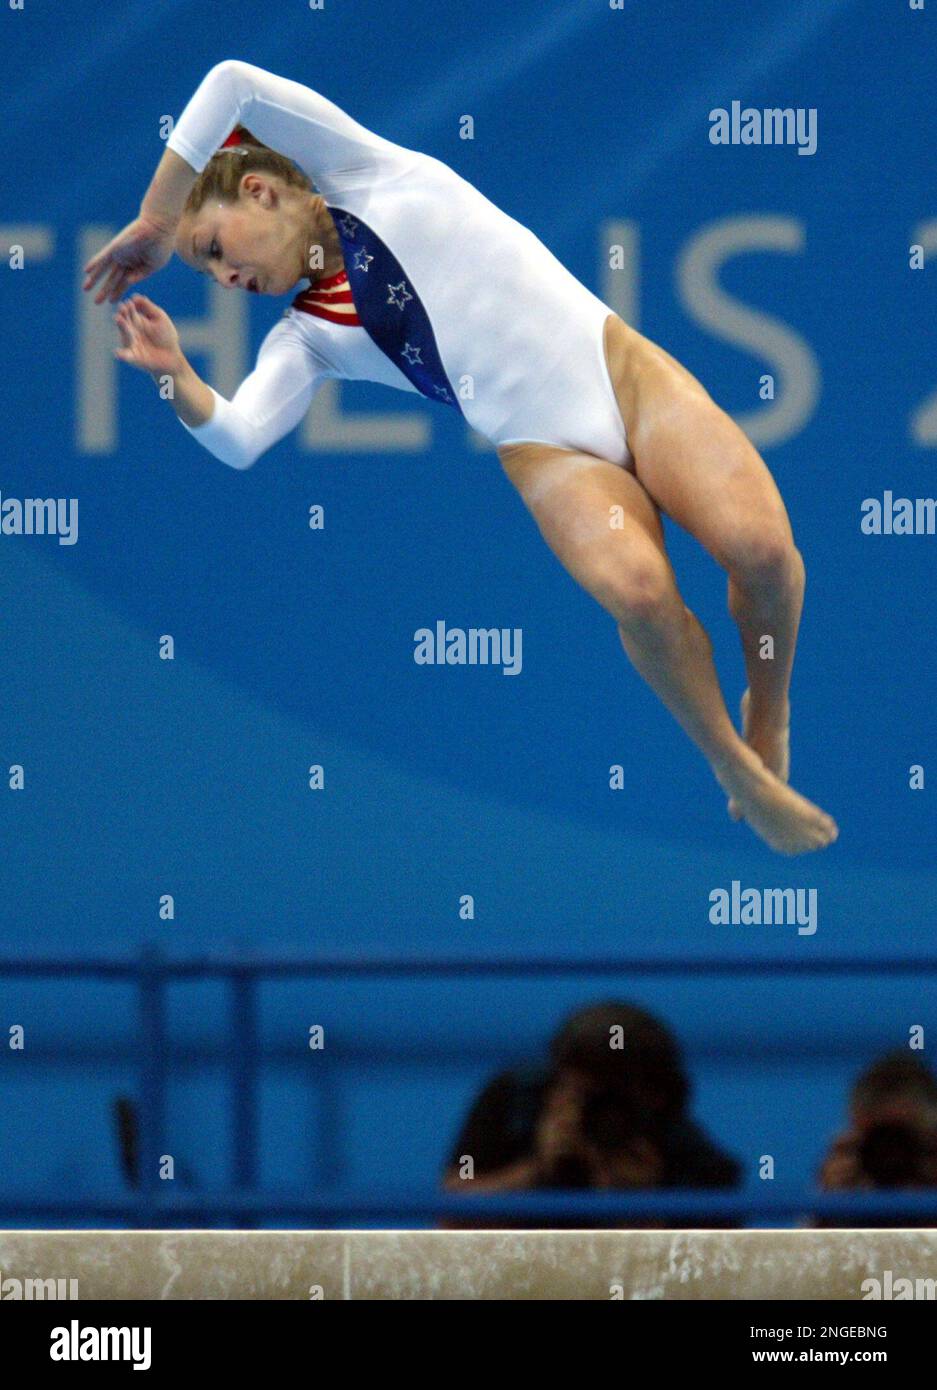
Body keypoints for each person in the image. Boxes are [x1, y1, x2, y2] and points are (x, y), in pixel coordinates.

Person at [83, 60, 838, 854]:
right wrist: (178, 380)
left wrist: (158, 221)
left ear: (262, 192)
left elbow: (232, 81)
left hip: (623, 376)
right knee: (639, 592)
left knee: (759, 552)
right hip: (544, 449)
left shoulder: (363, 169)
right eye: (208, 272)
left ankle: (768, 710)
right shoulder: (306, 337)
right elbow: (237, 440)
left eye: (213, 248)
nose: (225, 278)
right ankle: (734, 769)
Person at [442, 1000, 739, 1226]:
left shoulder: (692, 1159)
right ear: (558, 1084)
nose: (603, 1114)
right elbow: (449, 1224)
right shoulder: (517, 1100)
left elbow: (706, 1278)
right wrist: (536, 1170)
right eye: (585, 1095)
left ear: (657, 1098)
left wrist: (636, 1208)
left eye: (614, 1099)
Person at [817, 1052, 937, 1224]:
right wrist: (826, 1210)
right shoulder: (844, 1190)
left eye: (902, 1140)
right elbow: (802, 1250)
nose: (891, 1155)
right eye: (879, 1140)